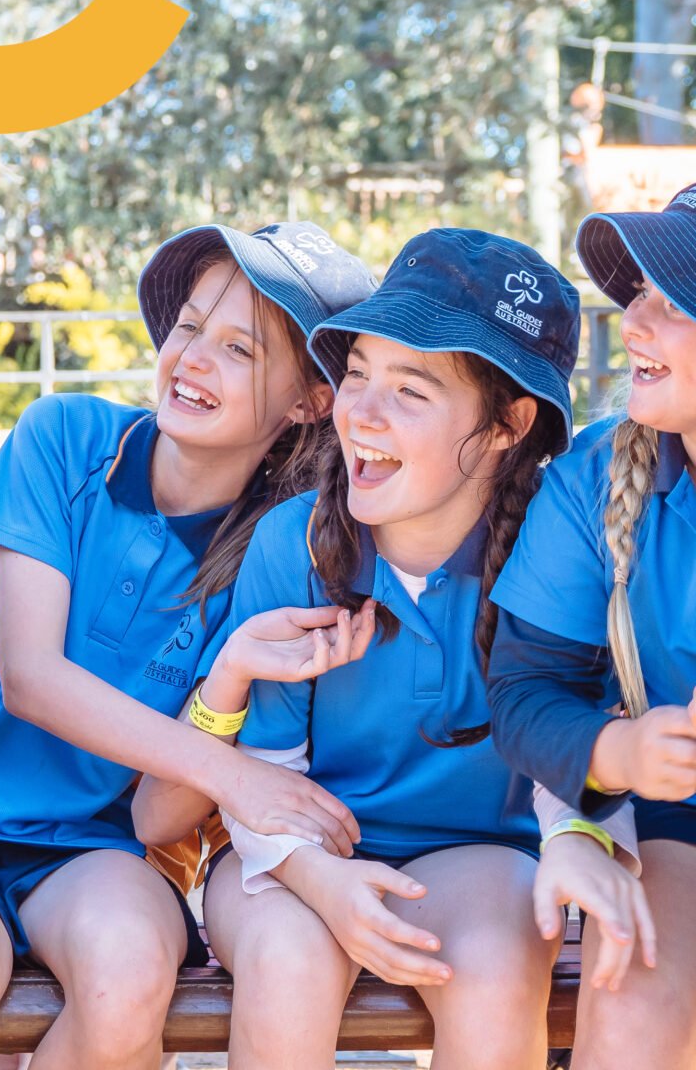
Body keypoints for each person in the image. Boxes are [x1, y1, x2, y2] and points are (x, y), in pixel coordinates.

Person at [0, 222, 377, 1070]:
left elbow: (156, 814)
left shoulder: (282, 550)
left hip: (106, 843)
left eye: (240, 348)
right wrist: (232, 773)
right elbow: (31, 680)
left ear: (308, 401)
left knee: (130, 979)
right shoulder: (67, 438)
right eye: (188, 327)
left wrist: (233, 679)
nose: (194, 357)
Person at [137, 229, 588, 1070]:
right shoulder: (296, 544)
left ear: (507, 425)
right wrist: (325, 887)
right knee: (289, 961)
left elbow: (575, 765)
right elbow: (263, 784)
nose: (362, 414)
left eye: (411, 391)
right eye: (355, 376)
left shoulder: (556, 558)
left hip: (477, 853)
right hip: (285, 850)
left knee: (491, 967)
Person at [488, 185, 696, 1066]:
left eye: (670, 298)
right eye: (636, 291)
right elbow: (525, 695)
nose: (634, 319)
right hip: (676, 821)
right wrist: (623, 755)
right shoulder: (588, 480)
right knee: (631, 993)